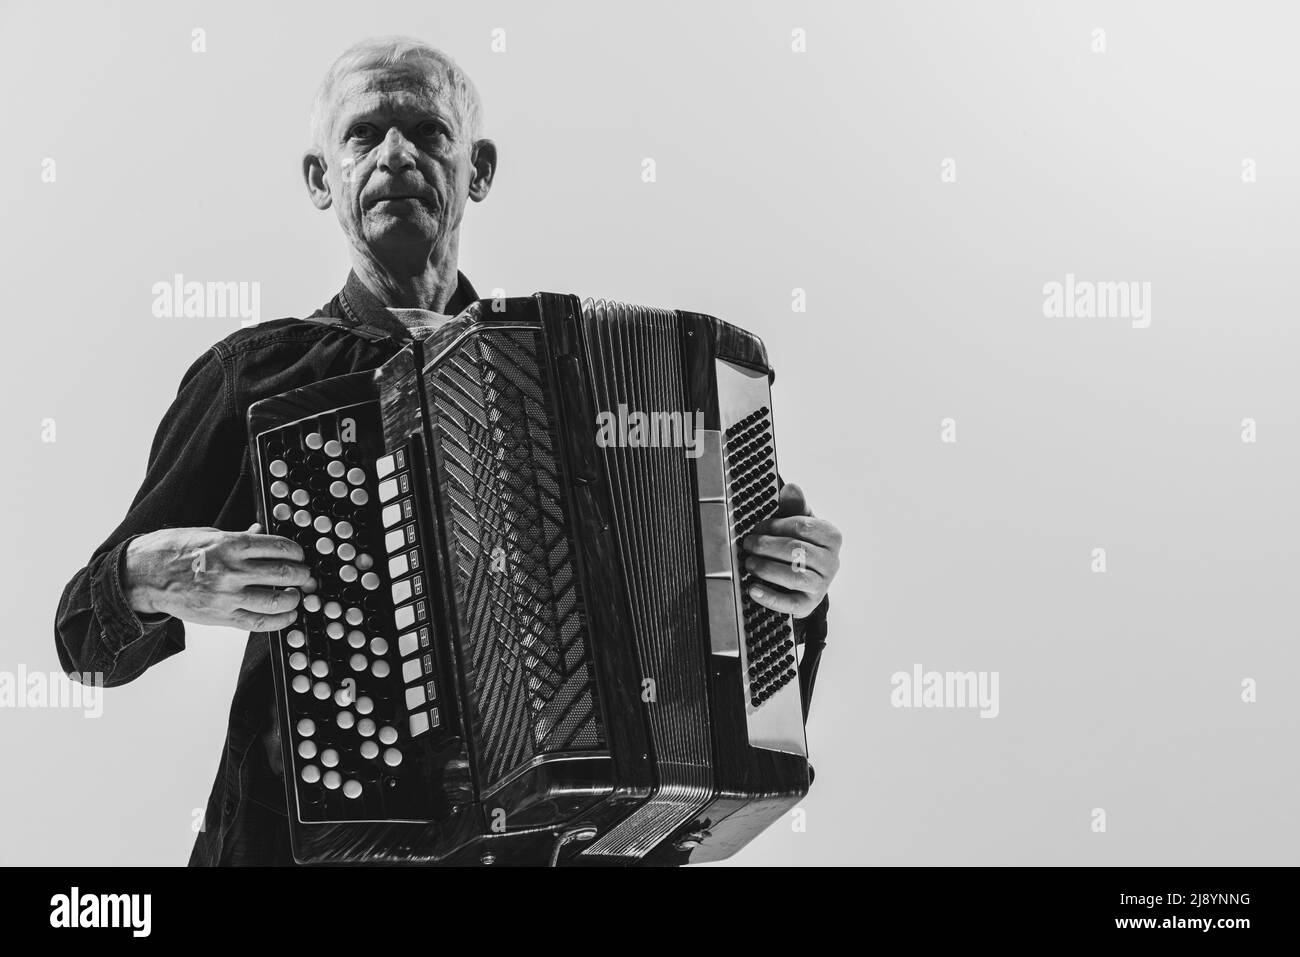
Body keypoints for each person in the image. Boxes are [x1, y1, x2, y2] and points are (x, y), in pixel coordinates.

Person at [54, 36, 843, 866]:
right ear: (322, 179)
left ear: (479, 169)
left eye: (429, 131)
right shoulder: (259, 372)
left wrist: (791, 577)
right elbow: (82, 643)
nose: (397, 152)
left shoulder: (586, 374)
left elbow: (724, 596)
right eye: (364, 134)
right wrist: (151, 573)